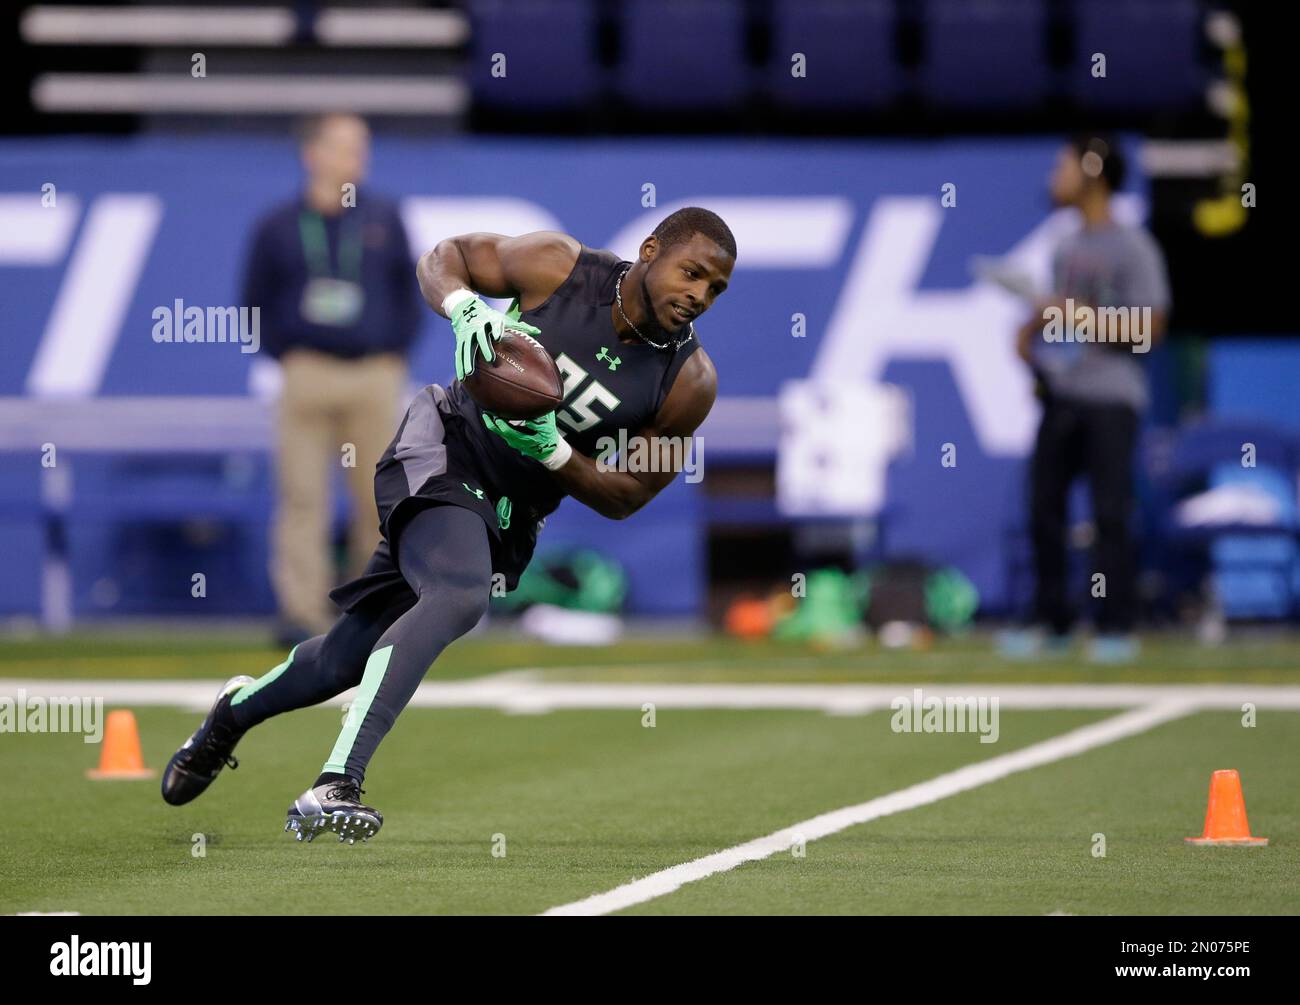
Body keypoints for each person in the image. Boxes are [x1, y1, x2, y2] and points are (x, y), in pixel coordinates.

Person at [163, 207, 735, 843]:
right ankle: (337, 779)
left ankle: (229, 716)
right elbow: (444, 257)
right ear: (651, 249)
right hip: (445, 444)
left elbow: (628, 494)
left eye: (715, 289)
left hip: (513, 511)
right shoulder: (561, 267)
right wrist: (465, 306)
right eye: (692, 274)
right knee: (459, 594)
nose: (699, 296)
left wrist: (553, 452)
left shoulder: (689, 381)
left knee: (340, 662)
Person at [242, 112, 421, 646]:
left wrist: (389, 355)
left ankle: (370, 612)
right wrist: (289, 355)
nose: (355, 158)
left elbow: (409, 294)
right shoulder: (278, 225)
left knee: (377, 496)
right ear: (313, 154)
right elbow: (253, 302)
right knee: (301, 497)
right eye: (344, 147)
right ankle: (303, 615)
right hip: (307, 373)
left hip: (372, 374)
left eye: (361, 147)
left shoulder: (384, 217)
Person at [1007, 136, 1171, 663]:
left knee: (1109, 513)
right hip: (1064, 393)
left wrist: (1081, 316)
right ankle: (1053, 621)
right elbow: (1064, 330)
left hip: (1111, 399)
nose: (1055, 173)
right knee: (1043, 509)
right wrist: (1033, 336)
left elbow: (1152, 329)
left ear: (1093, 171)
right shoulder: (1065, 247)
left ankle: (1115, 625)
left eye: (1065, 163)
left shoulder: (1132, 246)